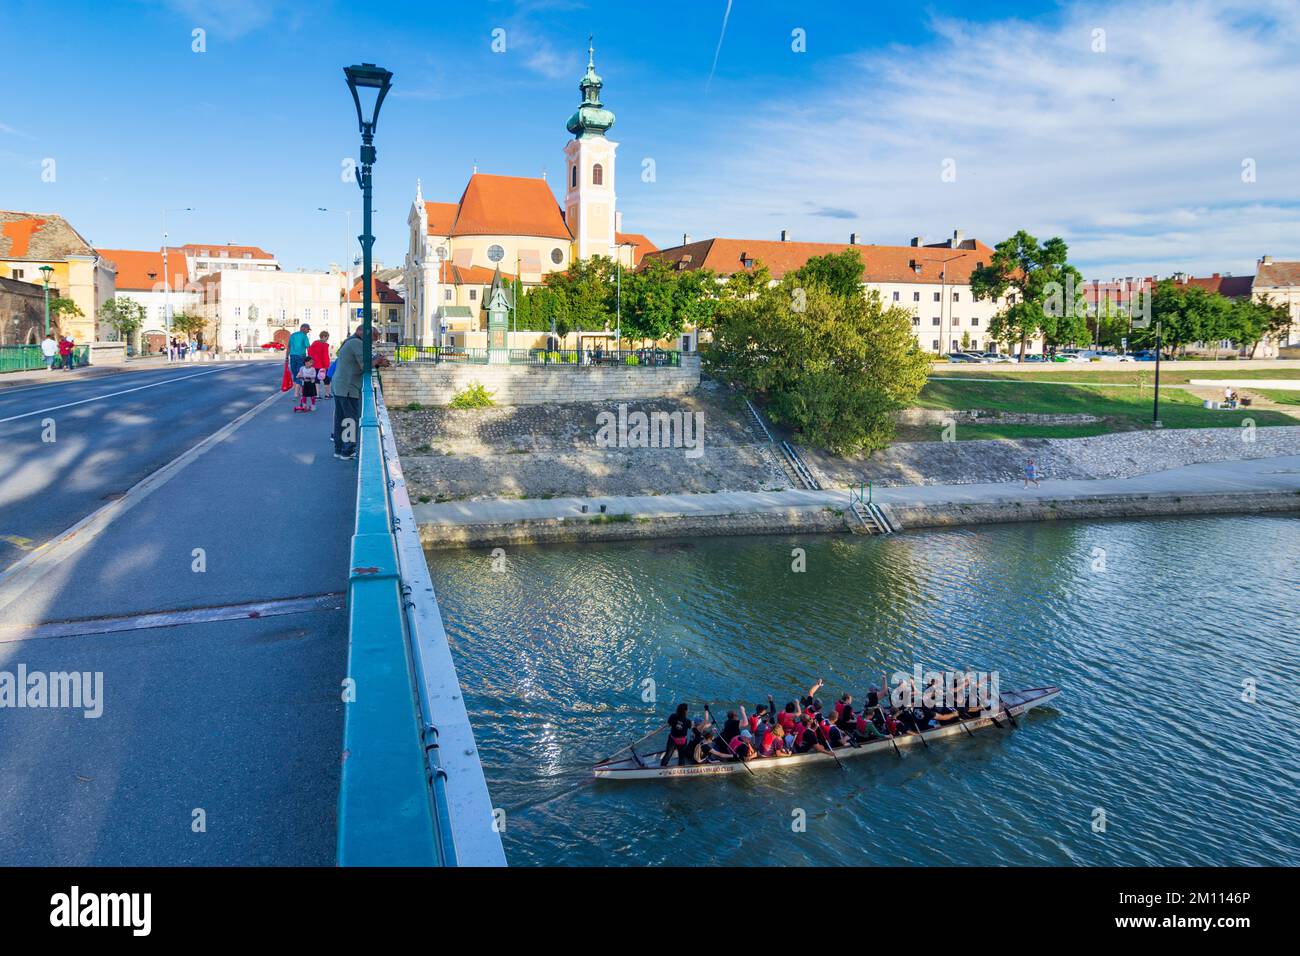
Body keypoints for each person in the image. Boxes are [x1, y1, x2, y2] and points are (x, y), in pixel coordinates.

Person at [660, 703, 693, 767]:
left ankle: (662, 767)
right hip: (682, 741)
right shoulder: (687, 721)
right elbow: (691, 726)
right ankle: (681, 768)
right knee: (681, 757)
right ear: (685, 711)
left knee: (668, 754)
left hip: (673, 739)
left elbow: (669, 724)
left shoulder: (673, 716)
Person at [308, 331, 332, 399]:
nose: (327, 339)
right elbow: (325, 356)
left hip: (315, 365)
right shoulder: (324, 345)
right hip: (323, 366)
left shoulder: (314, 343)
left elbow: (309, 353)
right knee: (326, 380)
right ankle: (327, 394)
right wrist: (326, 366)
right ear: (324, 337)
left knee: (316, 380)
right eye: (327, 338)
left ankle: (317, 395)